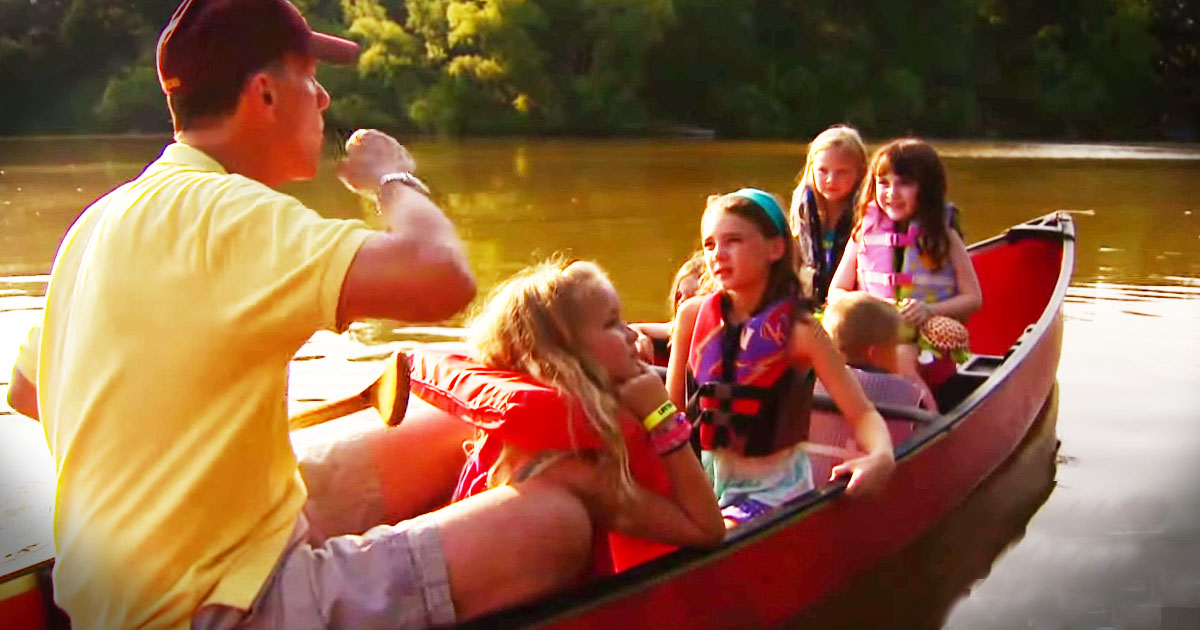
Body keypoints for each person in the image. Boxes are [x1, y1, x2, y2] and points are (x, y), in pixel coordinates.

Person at [28, 1, 607, 628]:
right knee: (557, 523)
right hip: (208, 612)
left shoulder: (99, 221)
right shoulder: (233, 215)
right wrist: (394, 179)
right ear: (266, 94)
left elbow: (29, 391)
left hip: (118, 592)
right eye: (310, 77)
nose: (324, 98)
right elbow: (442, 277)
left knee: (453, 432)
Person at [424, 259, 723, 572]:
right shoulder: (581, 470)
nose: (632, 335)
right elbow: (707, 529)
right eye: (612, 324)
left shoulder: (532, 430)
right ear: (565, 355)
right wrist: (661, 415)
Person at [666, 189, 895, 527]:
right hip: (703, 486)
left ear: (775, 248)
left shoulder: (801, 333)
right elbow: (672, 414)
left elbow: (862, 415)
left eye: (733, 241)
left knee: (713, 535)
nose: (718, 254)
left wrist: (881, 457)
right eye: (710, 244)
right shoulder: (691, 316)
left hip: (772, 494)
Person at [827, 138, 983, 381]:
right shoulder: (864, 232)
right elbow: (836, 290)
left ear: (927, 188)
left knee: (901, 356)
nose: (892, 193)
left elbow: (973, 298)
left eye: (904, 184)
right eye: (883, 183)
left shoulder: (945, 236)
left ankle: (924, 414)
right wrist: (866, 306)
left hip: (924, 335)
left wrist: (927, 310)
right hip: (873, 331)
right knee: (827, 350)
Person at [788, 125, 868, 304]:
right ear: (811, 169)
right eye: (823, 171)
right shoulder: (802, 213)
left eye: (842, 172)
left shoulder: (868, 216)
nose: (831, 180)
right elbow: (793, 267)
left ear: (861, 172)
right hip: (809, 302)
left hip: (851, 305)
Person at [818, 292, 937, 413]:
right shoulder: (903, 394)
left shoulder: (819, 384)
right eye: (894, 346)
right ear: (874, 354)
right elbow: (934, 424)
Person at [631, 251, 707, 364]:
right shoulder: (674, 328)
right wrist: (641, 338)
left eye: (691, 297)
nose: (682, 302)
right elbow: (633, 328)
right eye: (679, 296)